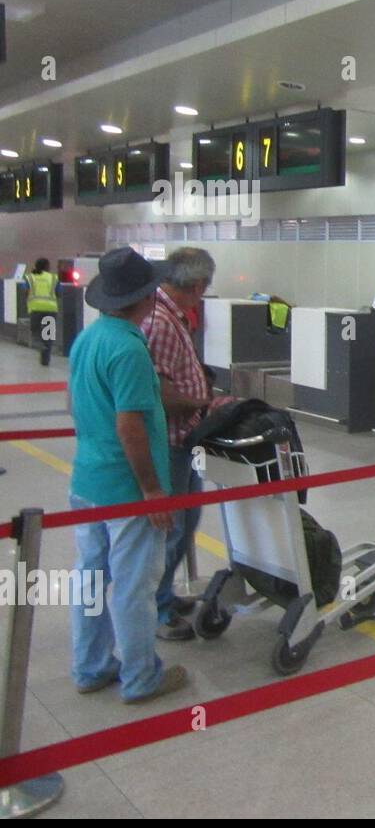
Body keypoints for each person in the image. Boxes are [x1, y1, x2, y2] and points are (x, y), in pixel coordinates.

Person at [68, 248, 187, 704]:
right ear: (147, 295)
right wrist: (152, 489)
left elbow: (75, 408)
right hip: (126, 488)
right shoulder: (129, 348)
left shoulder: (89, 338)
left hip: (87, 480)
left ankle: (91, 666)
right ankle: (141, 678)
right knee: (135, 585)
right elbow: (130, 424)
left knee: (91, 577)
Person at [141, 248, 217, 642]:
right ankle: (158, 609)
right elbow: (157, 389)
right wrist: (202, 403)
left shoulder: (168, 314)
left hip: (184, 441)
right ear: (197, 284)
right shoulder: (161, 321)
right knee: (171, 529)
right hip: (171, 443)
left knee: (186, 522)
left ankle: (166, 594)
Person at [24, 257, 60, 366]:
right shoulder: (54, 278)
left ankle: (39, 344)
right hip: (51, 309)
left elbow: (25, 291)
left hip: (35, 309)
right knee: (48, 335)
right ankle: (45, 360)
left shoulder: (30, 277)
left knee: (35, 331)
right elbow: (58, 293)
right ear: (47, 266)